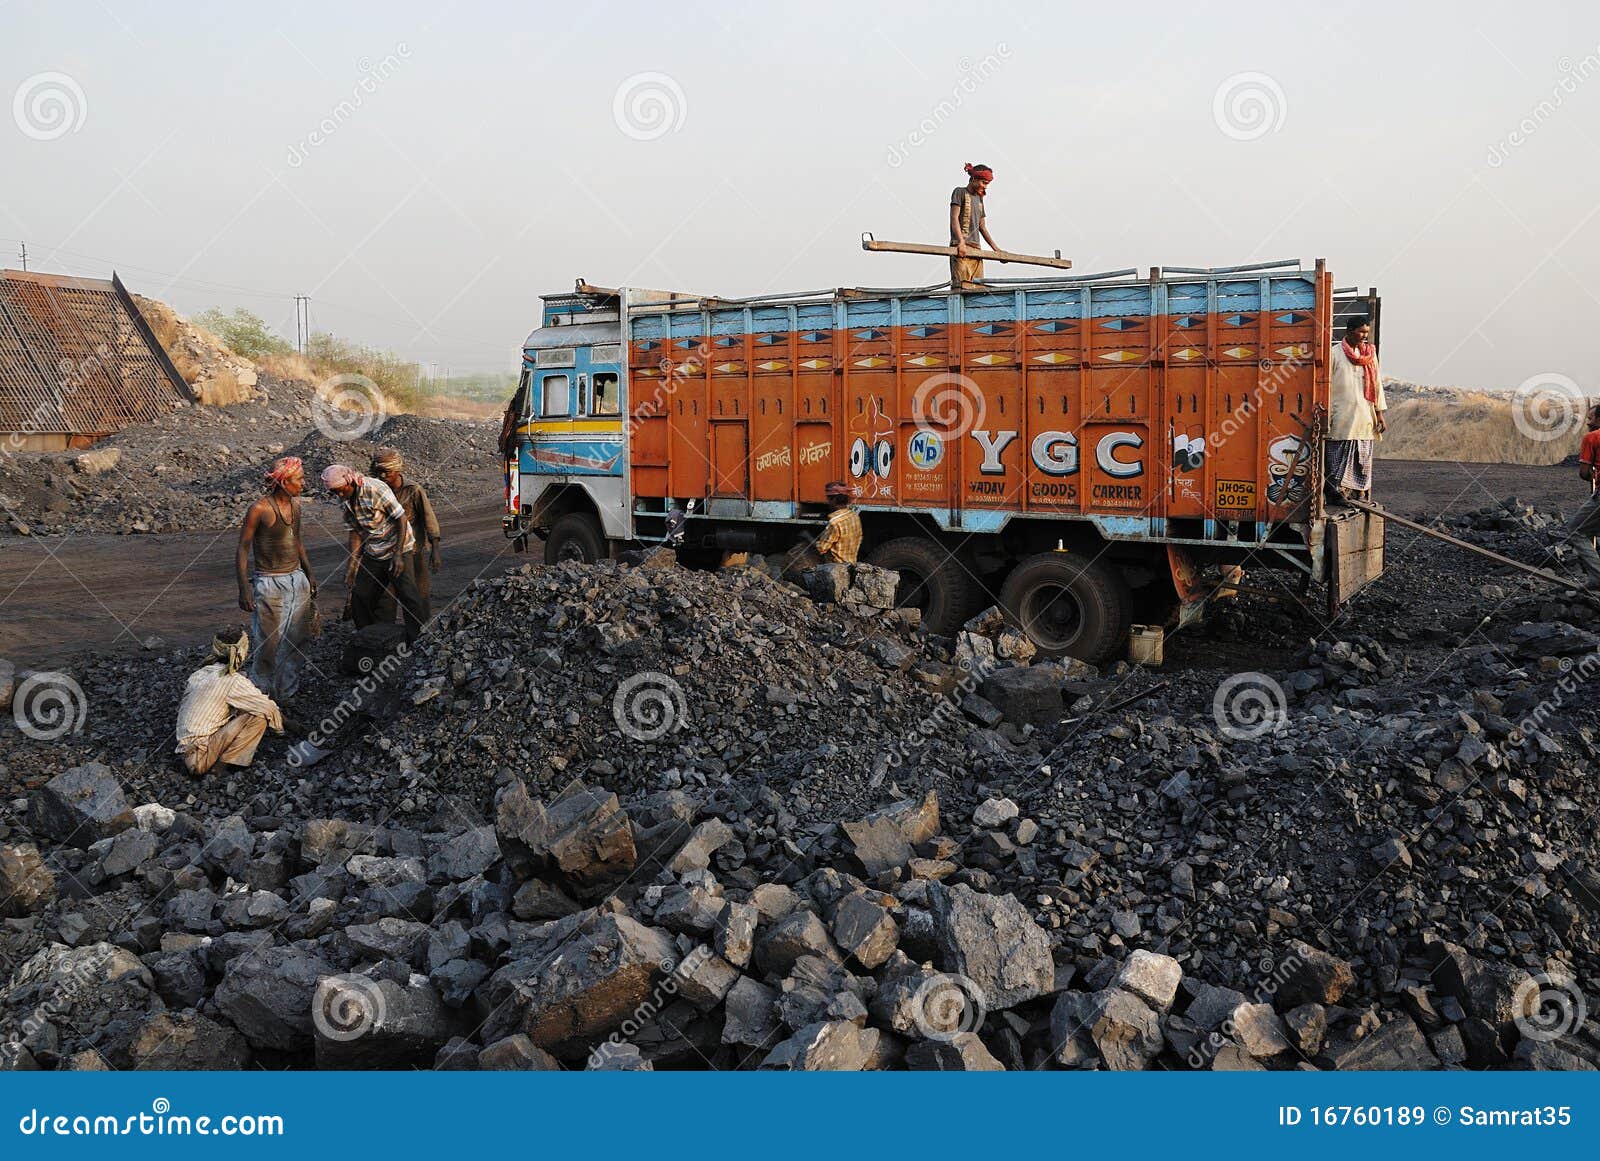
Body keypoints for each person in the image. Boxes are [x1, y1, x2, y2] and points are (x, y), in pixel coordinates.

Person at [235, 456, 317, 701]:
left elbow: (297, 541)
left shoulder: (295, 506)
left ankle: (285, 694)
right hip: (270, 582)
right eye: (299, 479)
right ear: (283, 482)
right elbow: (243, 548)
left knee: (297, 639)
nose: (303, 483)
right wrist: (243, 588)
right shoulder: (260, 509)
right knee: (268, 643)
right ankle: (261, 696)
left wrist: (309, 573)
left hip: (296, 579)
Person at [321, 463, 425, 642]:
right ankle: (368, 637)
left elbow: (401, 518)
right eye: (334, 492)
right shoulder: (345, 500)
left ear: (350, 482)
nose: (339, 495)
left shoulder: (375, 489)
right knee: (361, 596)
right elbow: (355, 532)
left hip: (398, 547)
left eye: (340, 490)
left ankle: (418, 641)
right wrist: (352, 565)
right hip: (374, 550)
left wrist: (398, 555)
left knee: (408, 596)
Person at [174, 627, 284, 776]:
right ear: (242, 653)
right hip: (200, 758)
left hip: (185, 752)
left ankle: (215, 761)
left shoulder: (199, 674)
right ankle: (221, 767)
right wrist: (283, 727)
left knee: (245, 703)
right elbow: (268, 708)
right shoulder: (233, 681)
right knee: (259, 715)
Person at [370, 448, 441, 623]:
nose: (382, 476)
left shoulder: (413, 490)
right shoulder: (375, 491)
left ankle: (419, 633)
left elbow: (429, 518)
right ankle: (386, 633)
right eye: (379, 472)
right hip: (385, 553)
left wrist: (435, 550)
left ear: (397, 470)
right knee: (385, 598)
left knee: (417, 597)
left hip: (412, 552)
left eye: (386, 472)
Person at [1324, 315, 1387, 506]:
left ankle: (1358, 494)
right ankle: (1336, 495)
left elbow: (1376, 385)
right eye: (1361, 332)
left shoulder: (1370, 355)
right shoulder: (1334, 354)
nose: (1364, 336)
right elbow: (1324, 386)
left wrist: (1379, 414)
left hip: (1365, 416)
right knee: (1336, 457)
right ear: (1349, 332)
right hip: (1341, 416)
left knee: (1363, 458)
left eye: (1366, 332)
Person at [1562, 403, 1600, 590]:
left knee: (1576, 530)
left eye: (1591, 419)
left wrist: (1593, 473)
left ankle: (1597, 577)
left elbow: (1584, 473)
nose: (1588, 423)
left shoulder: (1591, 438)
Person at [949, 163, 998, 290]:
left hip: (976, 250)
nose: (985, 187)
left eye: (987, 184)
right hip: (961, 248)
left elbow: (982, 227)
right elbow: (954, 218)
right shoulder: (959, 192)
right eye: (984, 183)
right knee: (961, 287)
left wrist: (996, 250)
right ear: (974, 179)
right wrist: (961, 242)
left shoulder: (980, 199)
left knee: (978, 289)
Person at [815, 481, 863, 564]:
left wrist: (807, 537)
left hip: (836, 567)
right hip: (851, 564)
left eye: (828, 499)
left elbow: (821, 548)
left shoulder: (835, 522)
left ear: (833, 500)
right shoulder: (855, 517)